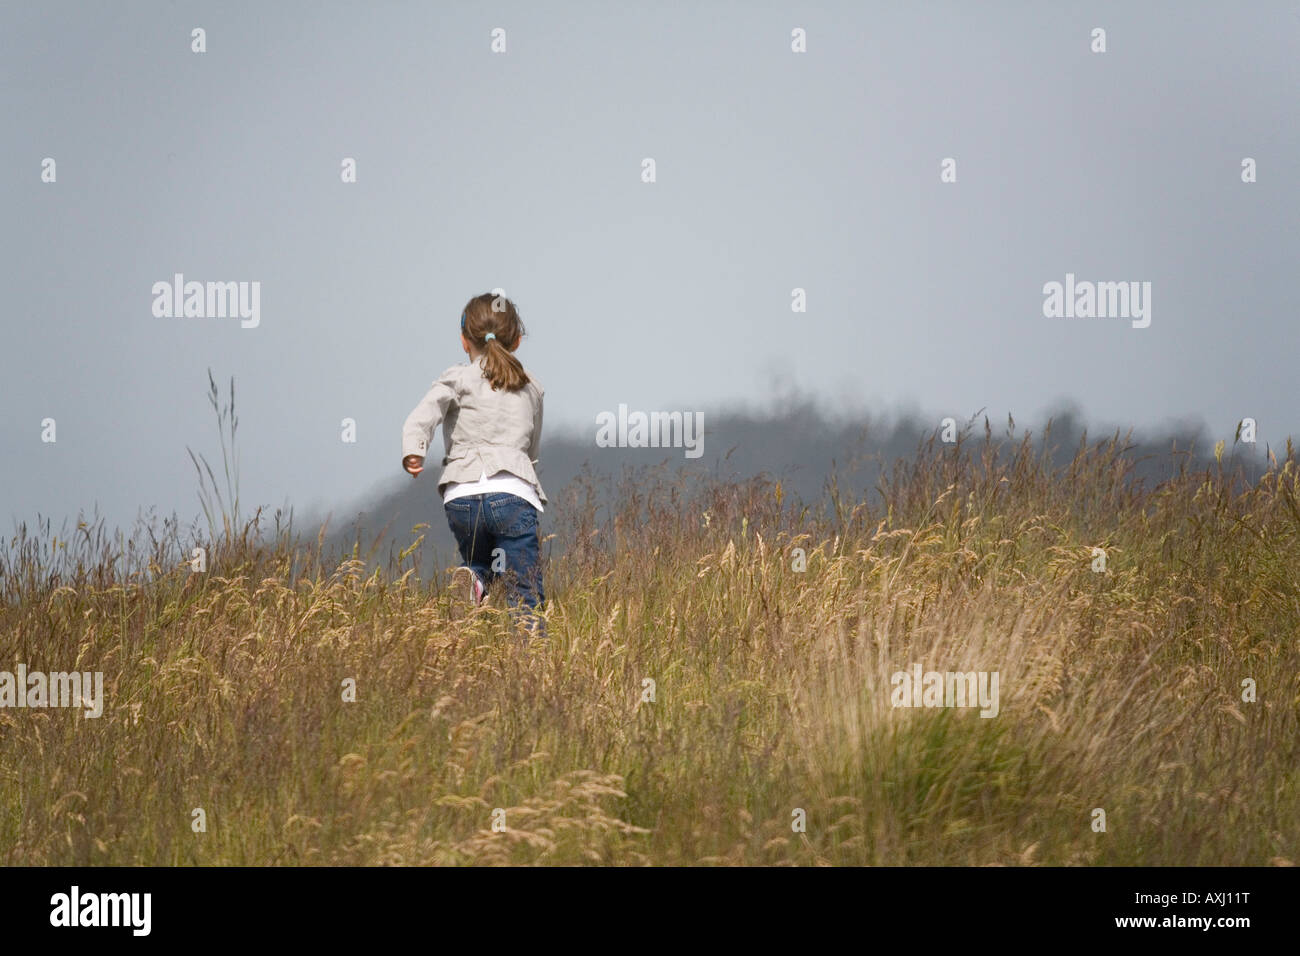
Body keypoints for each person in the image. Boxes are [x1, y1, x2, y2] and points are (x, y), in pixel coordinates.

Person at [400, 293, 546, 635]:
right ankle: (532, 660)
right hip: (512, 491)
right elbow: (532, 448)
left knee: (482, 561)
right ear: (518, 340)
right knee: (523, 588)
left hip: (462, 495)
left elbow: (423, 416)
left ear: (464, 341)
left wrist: (415, 450)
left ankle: (476, 580)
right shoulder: (529, 386)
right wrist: (527, 478)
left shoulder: (457, 378)